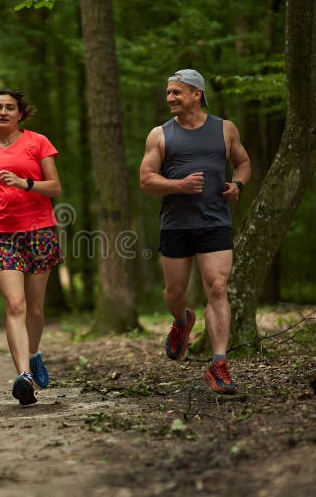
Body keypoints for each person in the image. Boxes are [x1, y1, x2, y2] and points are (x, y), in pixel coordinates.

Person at [139, 69, 251, 394]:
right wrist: (180, 185)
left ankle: (219, 365)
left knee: (217, 287)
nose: (170, 98)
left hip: (216, 221)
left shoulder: (224, 129)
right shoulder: (159, 134)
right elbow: (146, 180)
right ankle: (183, 320)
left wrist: (238, 184)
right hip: (176, 224)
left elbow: (244, 162)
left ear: (197, 94)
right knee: (174, 294)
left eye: (177, 92)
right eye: (169, 92)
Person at [0, 89, 62, 406]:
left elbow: (56, 187)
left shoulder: (38, 143)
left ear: (20, 114)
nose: (3, 112)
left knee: (35, 308)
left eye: (10, 107)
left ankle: (33, 355)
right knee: (16, 304)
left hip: (39, 230)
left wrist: (26, 184)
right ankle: (23, 376)